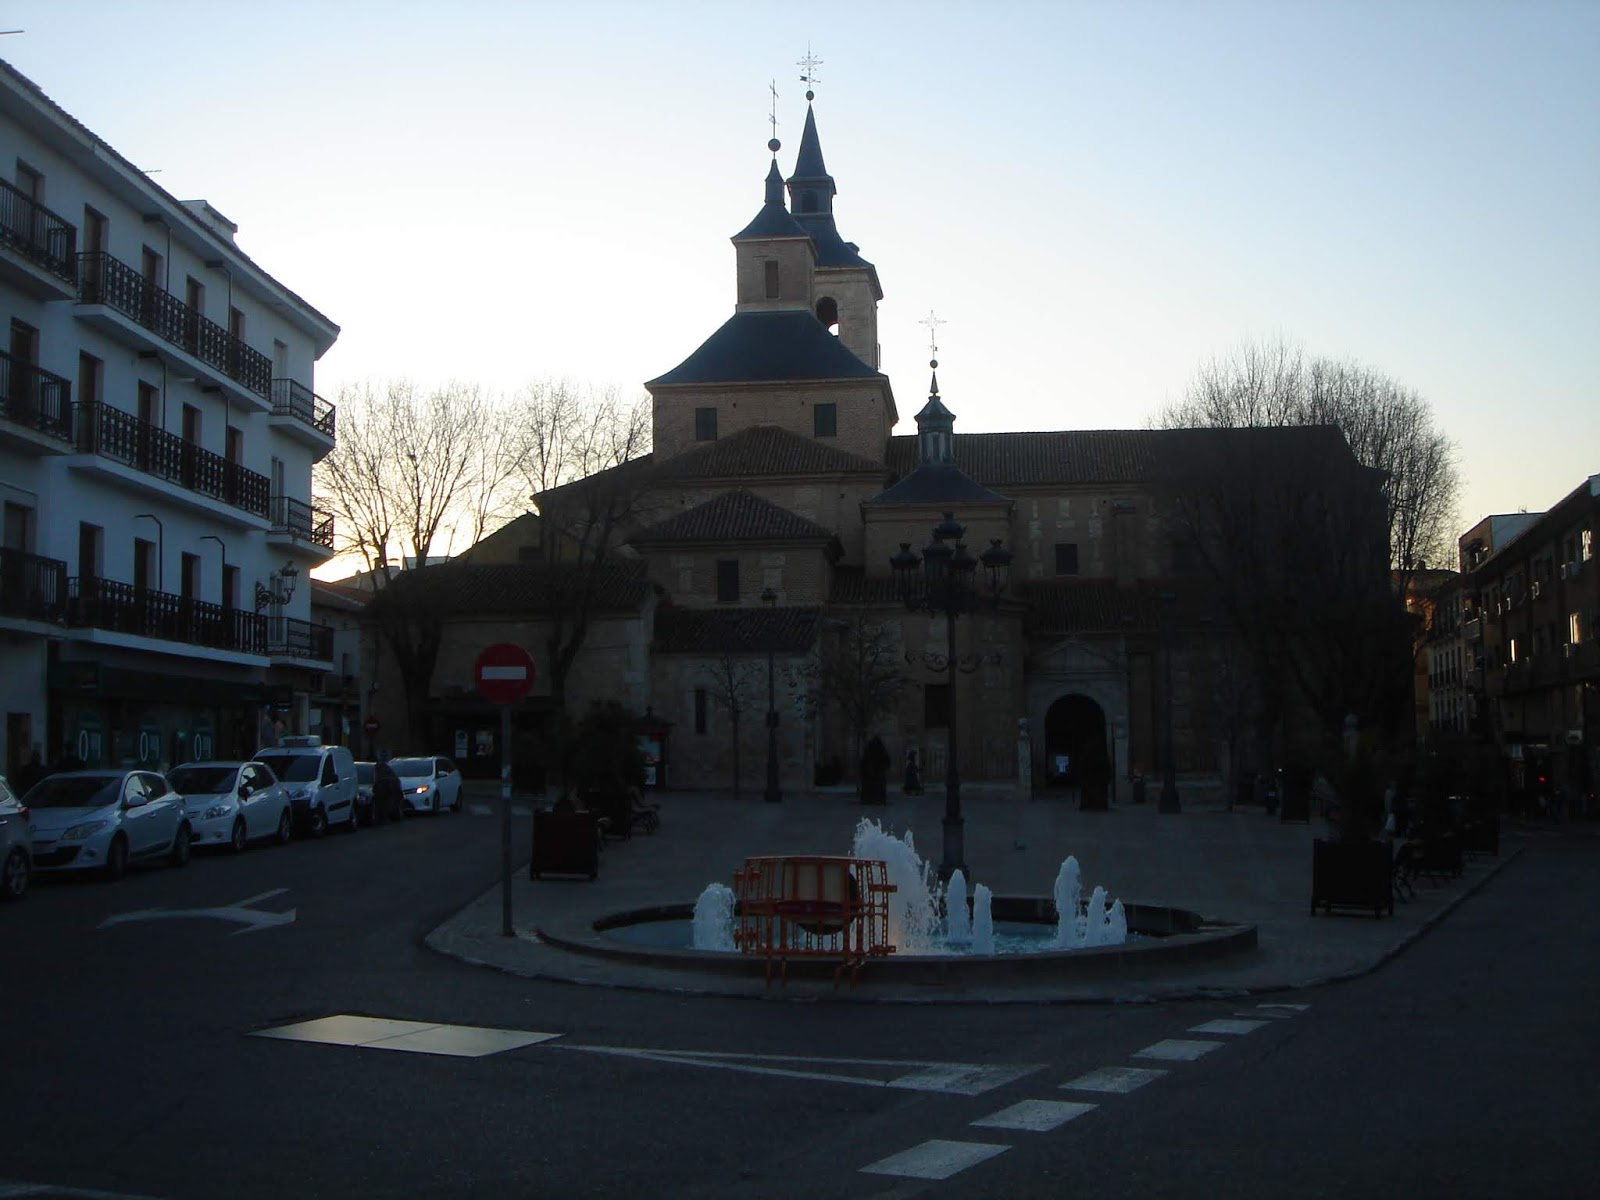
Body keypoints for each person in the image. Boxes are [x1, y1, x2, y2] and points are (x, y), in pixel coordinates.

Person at [372, 751, 403, 823]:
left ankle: (383, 817)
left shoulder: (384, 769)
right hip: (386, 788)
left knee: (386, 804)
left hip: (386, 789)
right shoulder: (384, 768)